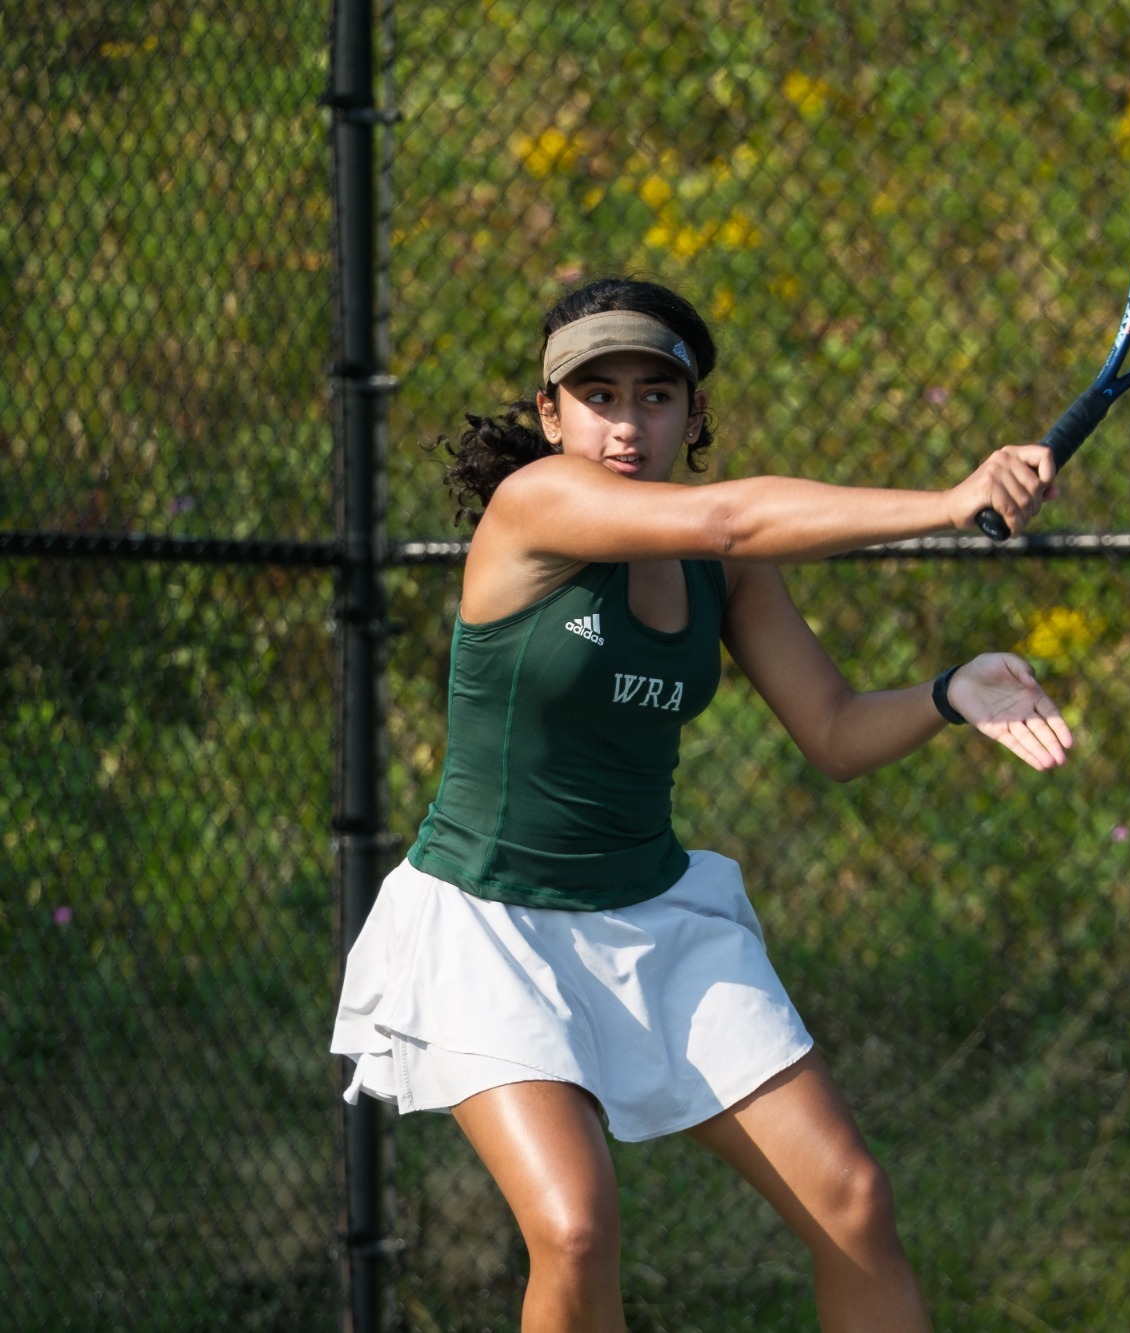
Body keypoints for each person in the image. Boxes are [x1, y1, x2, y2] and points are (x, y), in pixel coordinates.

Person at [331, 275, 1072, 1333]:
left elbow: (833, 730)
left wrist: (949, 693)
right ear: (550, 414)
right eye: (597, 395)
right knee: (575, 1230)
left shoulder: (728, 575)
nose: (625, 423)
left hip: (654, 918)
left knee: (853, 1202)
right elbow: (727, 517)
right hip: (492, 923)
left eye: (654, 395)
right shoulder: (535, 506)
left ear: (690, 413)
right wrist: (949, 501)